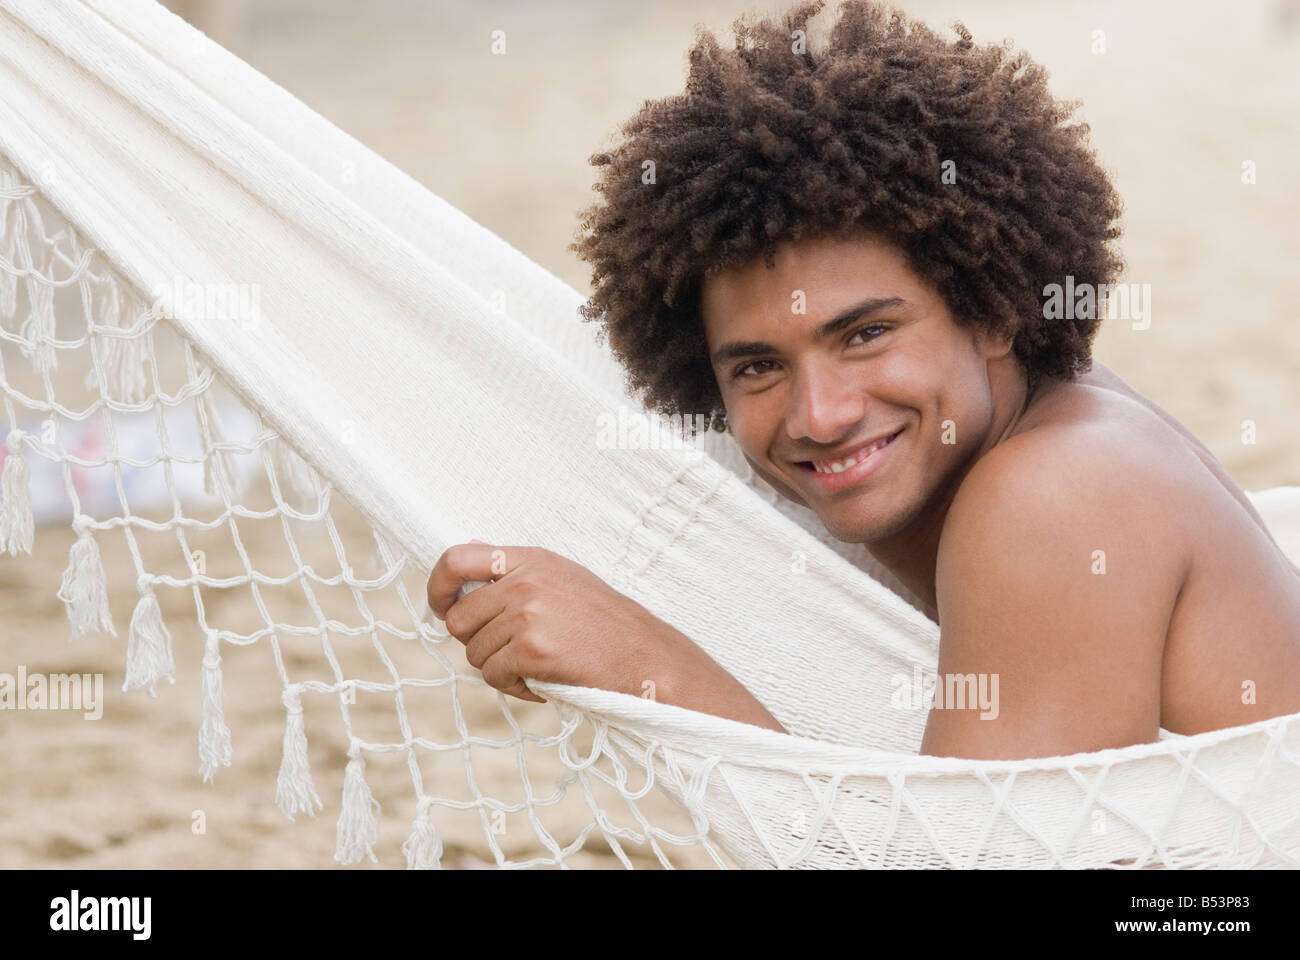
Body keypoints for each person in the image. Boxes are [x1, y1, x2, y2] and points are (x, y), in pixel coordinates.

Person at [429, 0, 1300, 760]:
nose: (820, 414)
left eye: (866, 333)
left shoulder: (1056, 493)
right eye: (759, 365)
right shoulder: (1042, 422)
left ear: (993, 309)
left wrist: (649, 668)